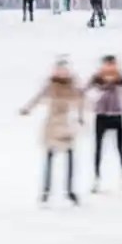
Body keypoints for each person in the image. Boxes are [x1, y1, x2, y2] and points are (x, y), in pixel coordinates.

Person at [22, 58, 86, 205]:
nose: (62, 73)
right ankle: (46, 190)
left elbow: (80, 101)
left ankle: (69, 190)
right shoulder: (50, 86)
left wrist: (81, 117)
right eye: (59, 70)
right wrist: (28, 108)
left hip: (66, 124)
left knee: (69, 157)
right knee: (50, 156)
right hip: (53, 124)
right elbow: (38, 98)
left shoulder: (72, 87)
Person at [87, 55, 122, 197]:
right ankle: (96, 179)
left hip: (116, 115)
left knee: (120, 150)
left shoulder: (121, 79)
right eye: (107, 65)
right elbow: (84, 91)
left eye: (112, 65)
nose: (110, 68)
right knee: (98, 148)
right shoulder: (97, 79)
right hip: (101, 116)